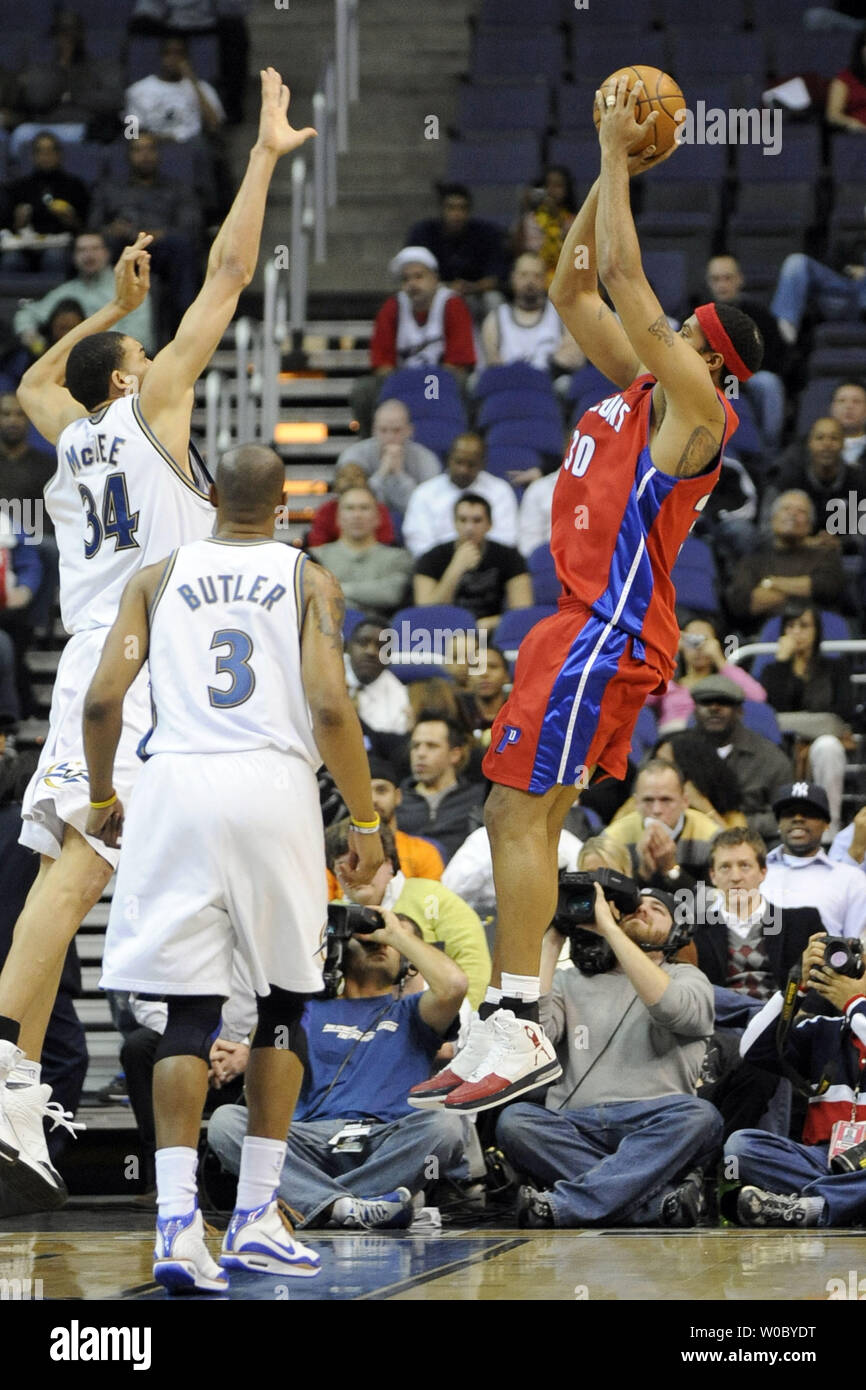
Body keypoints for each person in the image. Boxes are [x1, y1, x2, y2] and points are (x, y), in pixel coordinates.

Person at [411, 76, 764, 1114]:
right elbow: (577, 288)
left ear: (711, 358)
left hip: (605, 627)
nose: (671, 330)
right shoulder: (643, 389)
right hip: (579, 626)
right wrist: (599, 170)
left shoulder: (694, 405)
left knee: (515, 804)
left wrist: (610, 154)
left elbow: (619, 271)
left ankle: (518, 1015)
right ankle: (513, 1011)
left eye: (688, 328)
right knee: (522, 803)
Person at [0, 68, 317, 1215]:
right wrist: (266, 157)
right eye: (136, 362)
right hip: (131, 663)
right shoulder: (146, 407)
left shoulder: (68, 431)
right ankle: (7, 1068)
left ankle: (17, 1077)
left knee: (69, 871)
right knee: (80, 866)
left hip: (105, 650)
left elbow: (39, 374)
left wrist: (103, 314)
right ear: (131, 381)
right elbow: (231, 275)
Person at [80, 442, 385, 1290]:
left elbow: (104, 699)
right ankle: (256, 1214)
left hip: (174, 786)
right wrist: (362, 819)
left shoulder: (156, 575)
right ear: (285, 505)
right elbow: (329, 705)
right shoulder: (308, 578)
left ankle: (177, 1225)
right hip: (270, 788)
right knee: (285, 997)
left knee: (186, 1012)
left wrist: (104, 793)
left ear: (212, 498)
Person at [207, 906, 472, 1231]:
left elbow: (455, 985)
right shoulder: (301, 1010)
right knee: (225, 1122)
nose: (379, 945)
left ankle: (316, 1203)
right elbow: (265, 1035)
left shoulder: (412, 1011)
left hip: (385, 1138)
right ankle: (352, 1205)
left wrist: (395, 934)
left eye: (389, 944)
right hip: (308, 1140)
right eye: (366, 937)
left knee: (445, 1125)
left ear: (405, 962)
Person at [482, 884, 721, 1228]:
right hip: (576, 1125)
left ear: (677, 932)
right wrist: (552, 939)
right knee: (515, 1121)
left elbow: (671, 1009)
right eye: (636, 906)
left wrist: (610, 929)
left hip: (657, 1121)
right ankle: (654, 1205)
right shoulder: (569, 980)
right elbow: (533, 1039)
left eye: (657, 909)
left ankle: (565, 1205)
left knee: (701, 1117)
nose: (643, 910)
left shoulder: (688, 978)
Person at [725, 931, 866, 1228]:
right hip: (824, 1159)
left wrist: (855, 1003)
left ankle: (815, 1206)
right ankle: (845, 1201)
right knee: (742, 1146)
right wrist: (795, 986)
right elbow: (752, 1049)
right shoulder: (824, 1030)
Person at [326, 820, 490, 1009]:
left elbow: (474, 967)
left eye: (364, 862)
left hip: (433, 1023)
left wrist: (456, 1029)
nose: (356, 873)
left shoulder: (435, 898)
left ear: (389, 863)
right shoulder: (331, 916)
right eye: (342, 865)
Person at [352, 247, 476, 437]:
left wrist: (426, 388)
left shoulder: (452, 304)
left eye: (419, 276)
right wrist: (409, 387)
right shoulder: (392, 307)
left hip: (442, 380)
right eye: (406, 279)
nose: (412, 284)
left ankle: (463, 440)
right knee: (364, 389)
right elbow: (381, 364)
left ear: (434, 278)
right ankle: (371, 442)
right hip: (403, 382)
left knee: (471, 385)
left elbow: (459, 364)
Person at [88, 131, 202, 336]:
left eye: (150, 149)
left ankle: (188, 326)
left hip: (163, 249)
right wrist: (112, 230)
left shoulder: (177, 188)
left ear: (158, 154)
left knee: (183, 246)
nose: (145, 155)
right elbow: (93, 226)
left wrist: (158, 234)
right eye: (138, 150)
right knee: (99, 244)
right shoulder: (111, 189)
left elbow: (190, 227)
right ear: (128, 156)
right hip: (122, 250)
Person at [760, 599, 854, 837]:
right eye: (790, 626)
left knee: (828, 746)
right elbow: (768, 716)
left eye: (804, 625)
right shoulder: (772, 671)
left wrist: (797, 725)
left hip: (820, 745)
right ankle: (780, 826)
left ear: (817, 630)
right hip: (781, 747)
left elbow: (843, 714)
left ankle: (829, 829)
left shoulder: (836, 668)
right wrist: (782, 664)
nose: (797, 633)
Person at [13, 230, 155, 357]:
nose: (88, 255)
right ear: (74, 257)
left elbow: (141, 338)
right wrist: (34, 339)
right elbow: (27, 314)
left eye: (95, 248)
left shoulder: (130, 286)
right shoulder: (67, 291)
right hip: (72, 366)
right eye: (82, 250)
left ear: (107, 253)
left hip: (117, 363)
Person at [725, 490, 847, 631]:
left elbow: (826, 588)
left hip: (819, 635)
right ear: (772, 519)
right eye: (786, 508)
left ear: (810, 524)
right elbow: (742, 604)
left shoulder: (825, 555)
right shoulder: (753, 561)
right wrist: (802, 591)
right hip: (764, 639)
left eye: (801, 511)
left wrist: (770, 583)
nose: (793, 514)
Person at [690, 675, 792, 841]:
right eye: (706, 702)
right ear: (695, 710)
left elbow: (786, 816)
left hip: (753, 844)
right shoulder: (674, 751)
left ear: (739, 711)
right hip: (689, 843)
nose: (714, 708)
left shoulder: (769, 757)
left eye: (723, 702)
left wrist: (739, 824)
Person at [325, 757, 444, 901]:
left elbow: (431, 906)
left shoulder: (424, 852)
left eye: (381, 790)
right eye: (363, 792)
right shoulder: (333, 851)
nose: (372, 799)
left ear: (398, 796)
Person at [701, 255, 787, 451]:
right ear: (708, 282)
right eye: (716, 279)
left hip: (750, 376)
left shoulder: (759, 314)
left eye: (727, 278)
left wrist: (741, 373)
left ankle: (769, 450)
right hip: (708, 378)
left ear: (740, 279)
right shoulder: (695, 314)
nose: (722, 284)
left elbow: (776, 355)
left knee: (769, 384)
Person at [413, 493, 532, 631]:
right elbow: (425, 613)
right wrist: (456, 568)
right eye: (463, 520)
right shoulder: (431, 558)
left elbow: (522, 611)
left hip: (491, 631)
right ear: (455, 523)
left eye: (477, 520)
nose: (469, 528)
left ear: (489, 524)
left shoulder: (510, 556)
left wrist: (489, 623)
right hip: (443, 630)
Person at [762, 782, 866, 939]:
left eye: (808, 813)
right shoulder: (753, 872)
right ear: (779, 823)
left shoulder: (851, 878)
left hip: (823, 961)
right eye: (789, 813)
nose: (798, 819)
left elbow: (855, 946)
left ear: (826, 824)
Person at [605, 758, 720, 892]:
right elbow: (609, 902)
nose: (657, 810)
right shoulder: (613, 840)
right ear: (636, 803)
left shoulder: (711, 838)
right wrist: (643, 874)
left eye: (666, 800)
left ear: (685, 801)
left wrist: (671, 869)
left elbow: (715, 907)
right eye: (648, 800)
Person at [401, 432, 519, 558]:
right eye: (458, 462)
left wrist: (475, 561)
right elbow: (418, 542)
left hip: (490, 567)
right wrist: (451, 564)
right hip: (437, 568)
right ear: (448, 459)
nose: (463, 470)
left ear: (482, 464)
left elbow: (506, 538)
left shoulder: (500, 491)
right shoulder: (424, 493)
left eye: (471, 464)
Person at [645, 616, 766, 734]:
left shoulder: (725, 684)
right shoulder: (669, 684)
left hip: (715, 737)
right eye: (691, 640)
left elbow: (758, 696)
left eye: (704, 640)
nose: (698, 647)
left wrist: (719, 659)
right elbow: (641, 697)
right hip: (674, 738)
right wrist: (668, 654)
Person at [406, 182, 506, 318]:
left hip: (476, 294)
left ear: (469, 211)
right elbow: (412, 272)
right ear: (442, 210)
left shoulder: (486, 233)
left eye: (462, 208)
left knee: (493, 299)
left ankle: (496, 338)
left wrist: (472, 287)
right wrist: (447, 287)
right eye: (451, 208)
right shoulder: (423, 232)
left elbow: (496, 277)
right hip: (437, 293)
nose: (457, 214)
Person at [310, 485, 413, 617]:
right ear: (338, 518)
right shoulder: (315, 557)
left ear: (378, 517)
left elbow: (391, 594)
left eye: (364, 508)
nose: (357, 515)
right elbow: (311, 596)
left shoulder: (398, 557)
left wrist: (334, 590)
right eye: (350, 508)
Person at [396, 713, 485, 863]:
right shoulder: (396, 801)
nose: (420, 753)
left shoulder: (479, 798)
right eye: (415, 746)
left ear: (455, 755)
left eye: (431, 746)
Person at [480, 252, 582, 380]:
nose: (530, 281)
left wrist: (543, 373)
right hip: (509, 384)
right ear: (513, 278)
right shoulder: (496, 318)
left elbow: (573, 356)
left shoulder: (561, 315)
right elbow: (492, 359)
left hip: (551, 385)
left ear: (545, 280)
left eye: (537, 276)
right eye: (523, 275)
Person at [0, 131, 89, 271]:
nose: (46, 156)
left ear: (59, 154)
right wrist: (17, 222)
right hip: (25, 244)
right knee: (11, 259)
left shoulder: (75, 186)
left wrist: (71, 220)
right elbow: (7, 227)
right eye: (40, 152)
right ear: (33, 156)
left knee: (54, 257)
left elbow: (85, 226)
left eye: (50, 151)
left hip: (60, 244)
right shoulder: (18, 187)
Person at [335, 399, 441, 514]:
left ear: (409, 431)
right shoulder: (354, 455)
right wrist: (382, 472)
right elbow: (351, 504)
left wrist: (400, 474)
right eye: (383, 430)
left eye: (396, 430)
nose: (390, 437)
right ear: (374, 430)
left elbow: (427, 508)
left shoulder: (426, 459)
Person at [125, 34, 225, 144]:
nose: (173, 59)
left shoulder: (202, 88)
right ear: (161, 57)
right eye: (168, 54)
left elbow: (215, 124)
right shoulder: (137, 90)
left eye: (179, 54)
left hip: (191, 146)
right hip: (154, 147)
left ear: (187, 58)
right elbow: (131, 133)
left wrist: (192, 80)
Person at [511, 165, 578, 287]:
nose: (552, 190)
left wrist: (557, 218)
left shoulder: (575, 221)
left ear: (567, 190)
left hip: (566, 279)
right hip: (535, 277)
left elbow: (580, 259)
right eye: (548, 185)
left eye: (558, 185)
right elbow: (520, 253)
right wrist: (524, 208)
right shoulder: (529, 220)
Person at [344, 618, 411, 735]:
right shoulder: (325, 673)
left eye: (381, 647)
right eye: (363, 642)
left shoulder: (399, 697)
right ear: (349, 647)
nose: (371, 651)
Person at [306, 461, 395, 548]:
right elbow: (317, 544)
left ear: (367, 482)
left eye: (357, 475)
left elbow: (385, 542)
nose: (350, 479)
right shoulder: (326, 510)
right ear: (336, 484)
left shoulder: (379, 509)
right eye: (343, 476)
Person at [826, 24, 866, 131]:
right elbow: (833, 115)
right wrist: (853, 124)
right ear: (860, 50)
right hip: (858, 138)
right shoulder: (845, 79)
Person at [830, 379, 866, 468]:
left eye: (856, 401)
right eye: (841, 400)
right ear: (832, 408)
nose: (849, 406)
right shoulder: (808, 448)